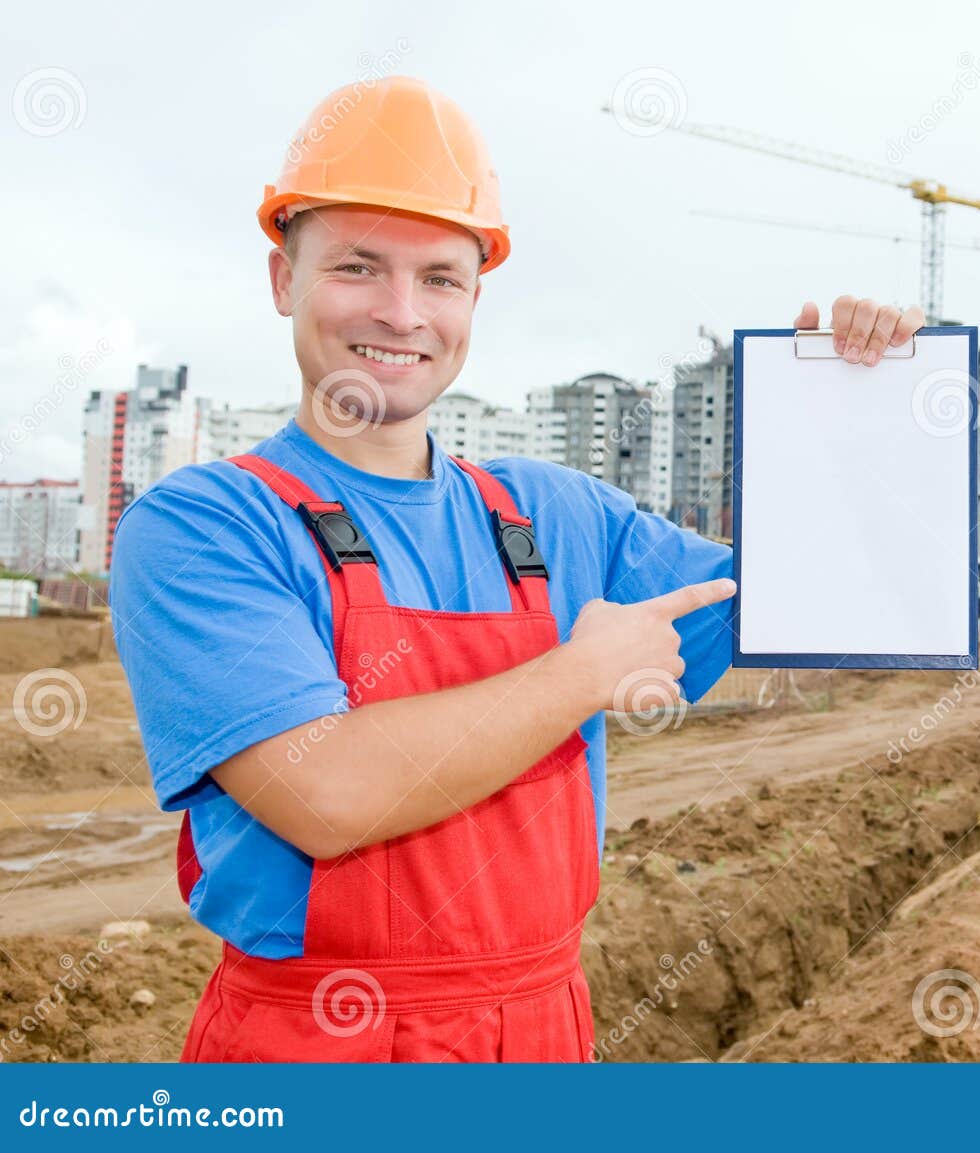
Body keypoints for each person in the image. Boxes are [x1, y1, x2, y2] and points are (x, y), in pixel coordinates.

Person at [109, 75, 922, 1063]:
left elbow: (834, 600)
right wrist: (580, 674)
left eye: (440, 278)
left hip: (538, 1031)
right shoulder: (205, 525)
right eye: (359, 267)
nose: (402, 312)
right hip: (317, 1044)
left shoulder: (552, 513)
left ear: (475, 296)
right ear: (283, 277)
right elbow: (326, 794)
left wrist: (849, 413)